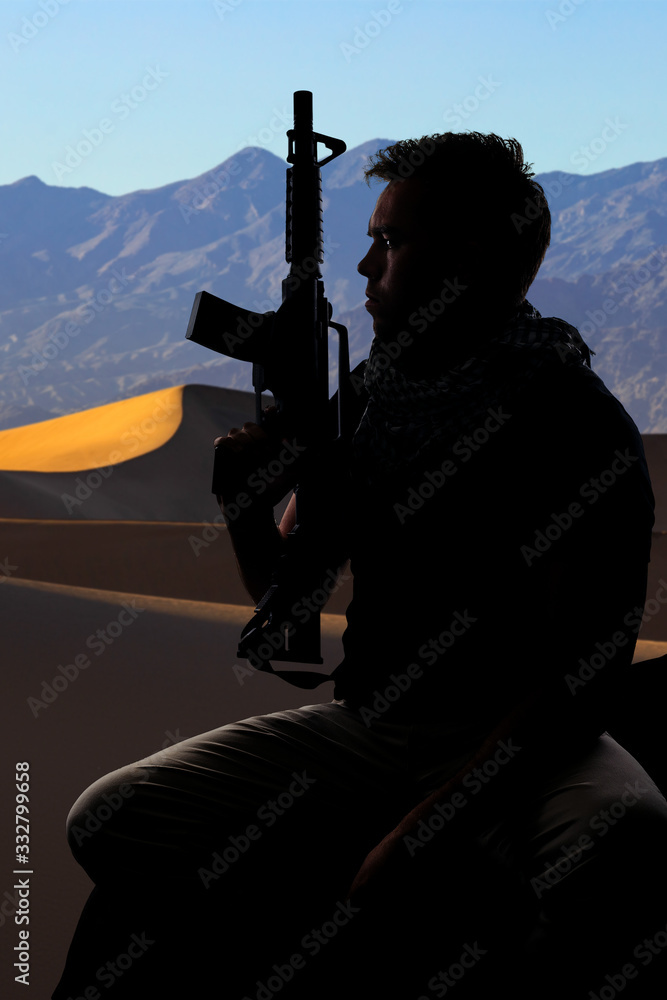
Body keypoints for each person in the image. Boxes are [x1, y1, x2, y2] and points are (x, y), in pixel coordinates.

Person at [53, 133, 667, 999]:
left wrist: (427, 827)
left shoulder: (571, 418)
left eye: (392, 240)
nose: (364, 263)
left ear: (471, 258)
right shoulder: (377, 394)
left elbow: (586, 674)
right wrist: (241, 505)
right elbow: (288, 603)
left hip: (532, 744)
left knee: (620, 834)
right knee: (110, 818)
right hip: (375, 726)